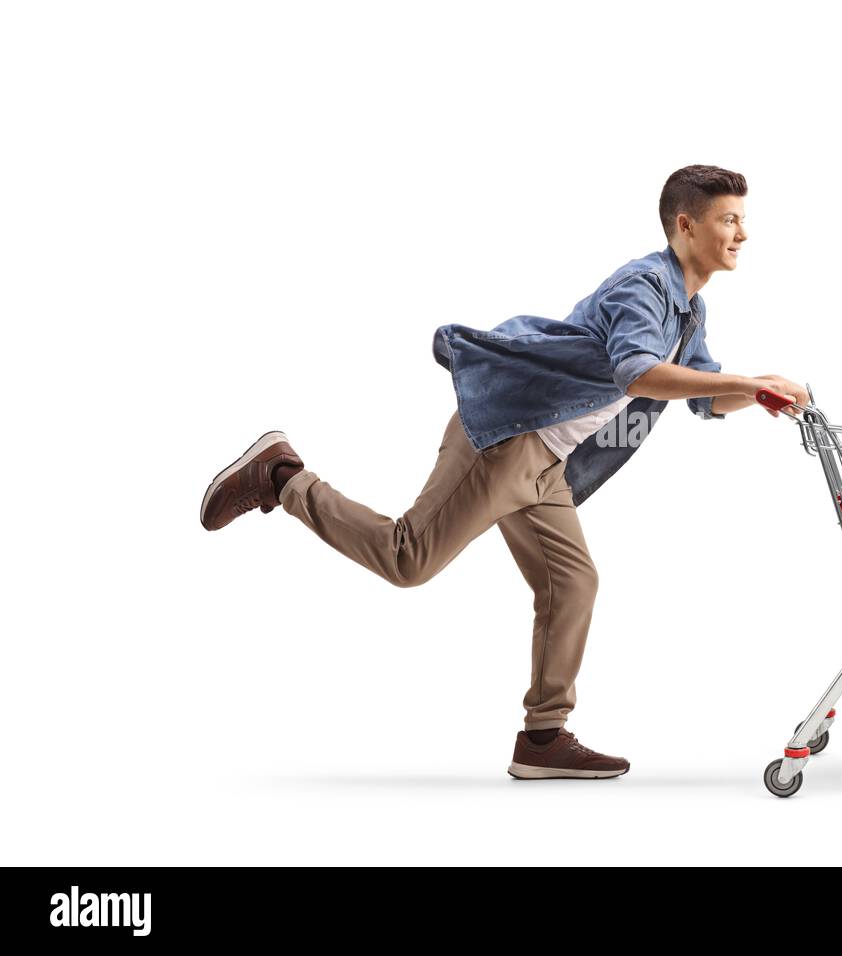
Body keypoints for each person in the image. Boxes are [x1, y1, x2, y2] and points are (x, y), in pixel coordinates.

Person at [199, 164, 809, 780]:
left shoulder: (687, 312)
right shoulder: (646, 286)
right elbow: (637, 373)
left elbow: (702, 397)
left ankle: (544, 739)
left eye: (742, 220)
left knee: (572, 584)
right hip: (509, 438)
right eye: (730, 219)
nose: (742, 234)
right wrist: (745, 382)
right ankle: (281, 477)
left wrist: (758, 394)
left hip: (547, 462)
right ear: (687, 224)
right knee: (408, 559)